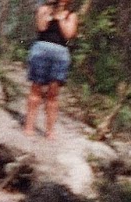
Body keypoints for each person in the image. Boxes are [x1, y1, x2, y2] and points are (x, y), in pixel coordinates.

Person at [23, 0, 79, 138]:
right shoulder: (43, 9)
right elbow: (41, 27)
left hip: (60, 54)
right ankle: (29, 126)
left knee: (53, 93)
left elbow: (68, 35)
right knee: (36, 88)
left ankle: (50, 130)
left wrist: (60, 18)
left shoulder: (71, 15)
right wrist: (49, 13)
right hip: (41, 49)